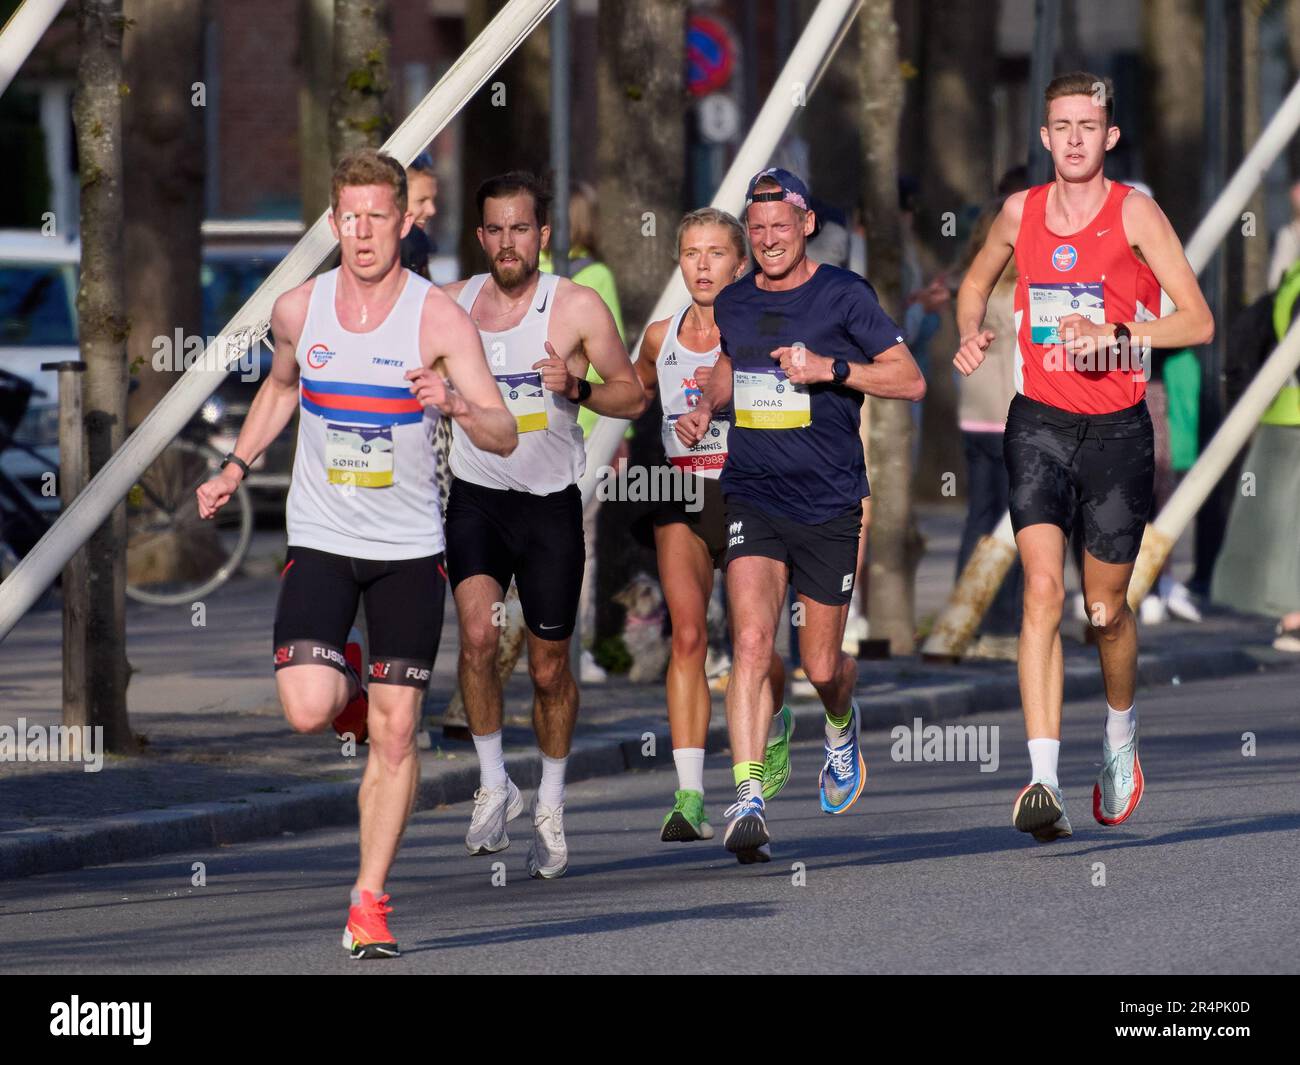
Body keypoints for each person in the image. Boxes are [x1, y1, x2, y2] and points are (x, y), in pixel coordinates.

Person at [196, 149, 516, 957]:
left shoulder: (439, 318)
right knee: (306, 708)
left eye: (381, 215)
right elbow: (278, 386)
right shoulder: (300, 308)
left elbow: (504, 429)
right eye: (352, 216)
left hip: (411, 549)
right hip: (323, 537)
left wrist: (453, 403)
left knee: (399, 730)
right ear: (333, 222)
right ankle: (349, 690)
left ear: (406, 220)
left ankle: (369, 900)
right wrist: (237, 464)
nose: (365, 231)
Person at [954, 72, 1214, 842]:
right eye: (1060, 125)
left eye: (1086, 126)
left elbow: (1195, 320)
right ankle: (1042, 778)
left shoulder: (1135, 212)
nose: (1072, 138)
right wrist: (973, 330)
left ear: (1109, 137)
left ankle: (1120, 731)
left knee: (1104, 610)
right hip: (1037, 423)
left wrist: (1120, 336)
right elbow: (975, 281)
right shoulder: (1018, 212)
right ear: (1043, 137)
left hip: (1118, 434)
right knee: (1042, 590)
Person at [679, 168, 925, 863]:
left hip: (829, 501)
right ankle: (749, 795)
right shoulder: (733, 301)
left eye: (779, 230)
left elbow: (910, 378)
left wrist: (831, 371)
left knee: (819, 663)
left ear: (806, 224)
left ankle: (841, 721)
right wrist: (705, 406)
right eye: (755, 233)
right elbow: (732, 363)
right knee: (753, 644)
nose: (767, 242)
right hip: (754, 492)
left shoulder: (844, 295)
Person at [444, 171, 645, 879]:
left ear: (545, 235)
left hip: (550, 502)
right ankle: (494, 780)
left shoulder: (577, 305)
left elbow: (633, 395)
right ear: (480, 237)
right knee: (476, 636)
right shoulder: (452, 304)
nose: (508, 242)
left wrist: (578, 386)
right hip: (475, 497)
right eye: (495, 229)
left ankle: (551, 803)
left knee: (549, 664)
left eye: (521, 229)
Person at [632, 207, 791, 842]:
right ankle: (691, 795)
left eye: (716, 253)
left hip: (751, 492)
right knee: (689, 638)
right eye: (692, 253)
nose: (703, 265)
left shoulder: (759, 331)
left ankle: (777, 715)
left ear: (740, 262)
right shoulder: (658, 336)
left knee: (756, 650)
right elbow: (630, 389)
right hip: (680, 493)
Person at [955, 197, 1022, 656]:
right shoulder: (1020, 293)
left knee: (978, 518)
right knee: (1014, 524)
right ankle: (1002, 626)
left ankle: (965, 622)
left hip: (973, 416)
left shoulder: (973, 288)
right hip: (1007, 416)